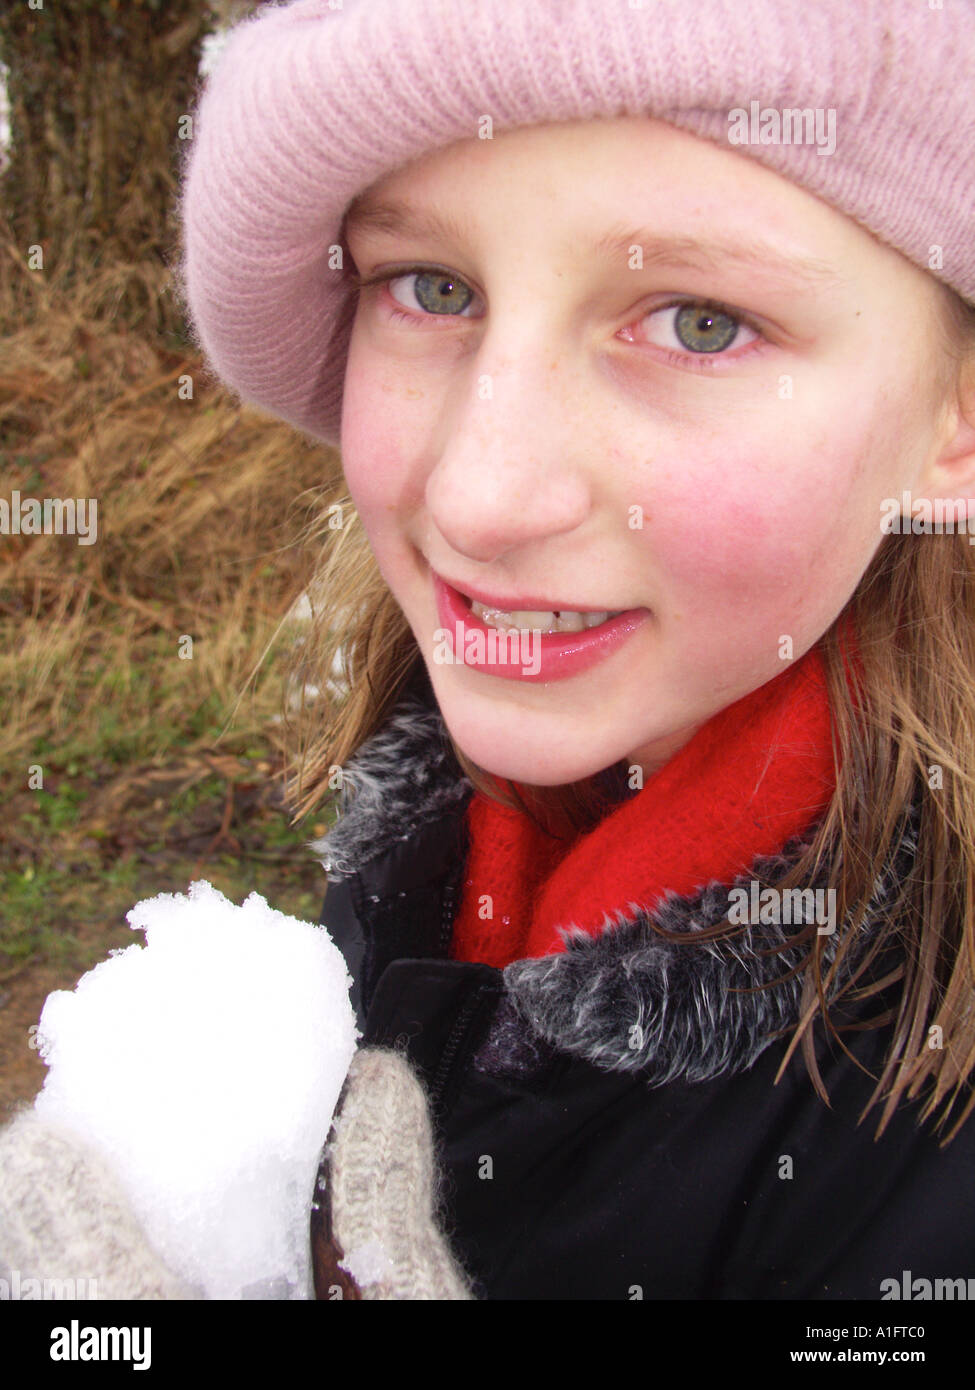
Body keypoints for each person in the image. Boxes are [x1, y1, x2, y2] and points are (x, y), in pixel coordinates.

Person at [3, 0, 975, 1301]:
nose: (478, 495)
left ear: (955, 424)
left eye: (698, 321)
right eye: (434, 289)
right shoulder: (430, 823)